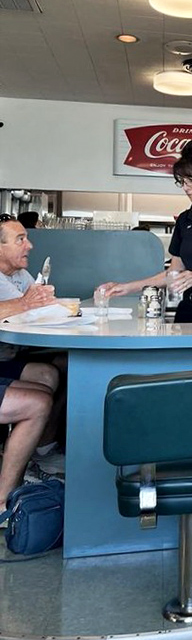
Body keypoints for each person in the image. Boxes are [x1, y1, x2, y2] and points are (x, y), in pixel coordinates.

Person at [99, 138, 192, 323]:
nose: (186, 187)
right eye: (182, 181)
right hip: (188, 310)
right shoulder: (184, 220)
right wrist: (128, 287)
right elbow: (174, 273)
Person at [0, 215, 64, 510]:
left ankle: (32, 457)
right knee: (38, 403)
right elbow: (26, 308)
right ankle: (4, 503)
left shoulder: (18, 275)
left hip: (7, 359)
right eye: (20, 239)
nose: (30, 244)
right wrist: (28, 303)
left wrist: (43, 302)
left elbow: (36, 307)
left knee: (49, 374)